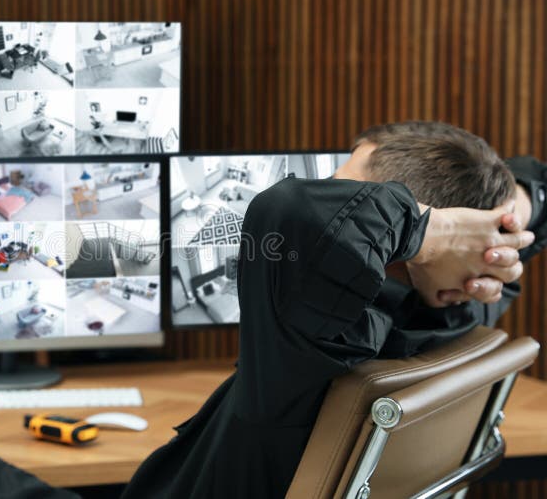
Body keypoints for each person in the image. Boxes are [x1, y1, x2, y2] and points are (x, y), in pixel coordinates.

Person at [122, 121, 547, 499]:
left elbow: (289, 210)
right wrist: (499, 231)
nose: (327, 188)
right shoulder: (461, 313)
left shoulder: (322, 344)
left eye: (342, 185)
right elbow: (540, 183)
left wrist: (440, 228)